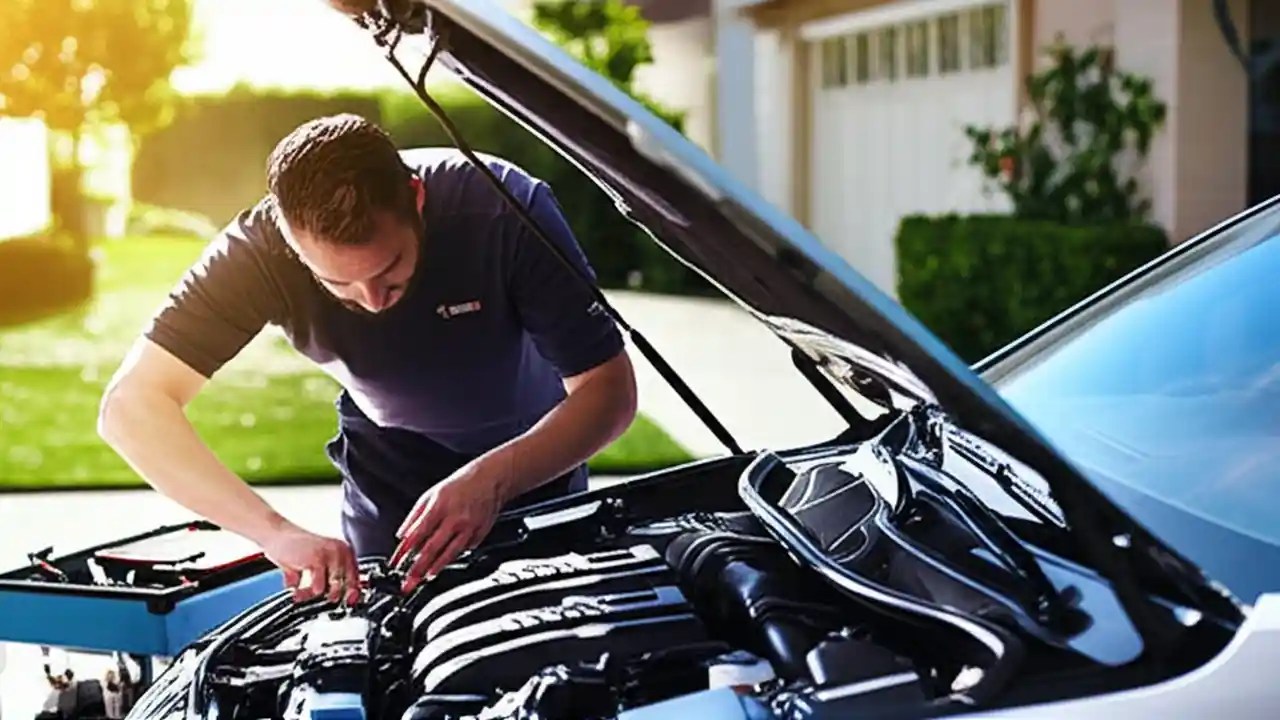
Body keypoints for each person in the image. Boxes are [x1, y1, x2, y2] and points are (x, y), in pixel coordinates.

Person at [98, 114, 638, 603]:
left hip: (533, 454)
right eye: (338, 283)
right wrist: (276, 533)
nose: (373, 301)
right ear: (289, 239)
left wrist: (495, 479)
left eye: (390, 269)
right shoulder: (257, 253)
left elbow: (609, 392)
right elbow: (131, 407)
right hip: (389, 464)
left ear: (416, 198)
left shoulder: (503, 206)